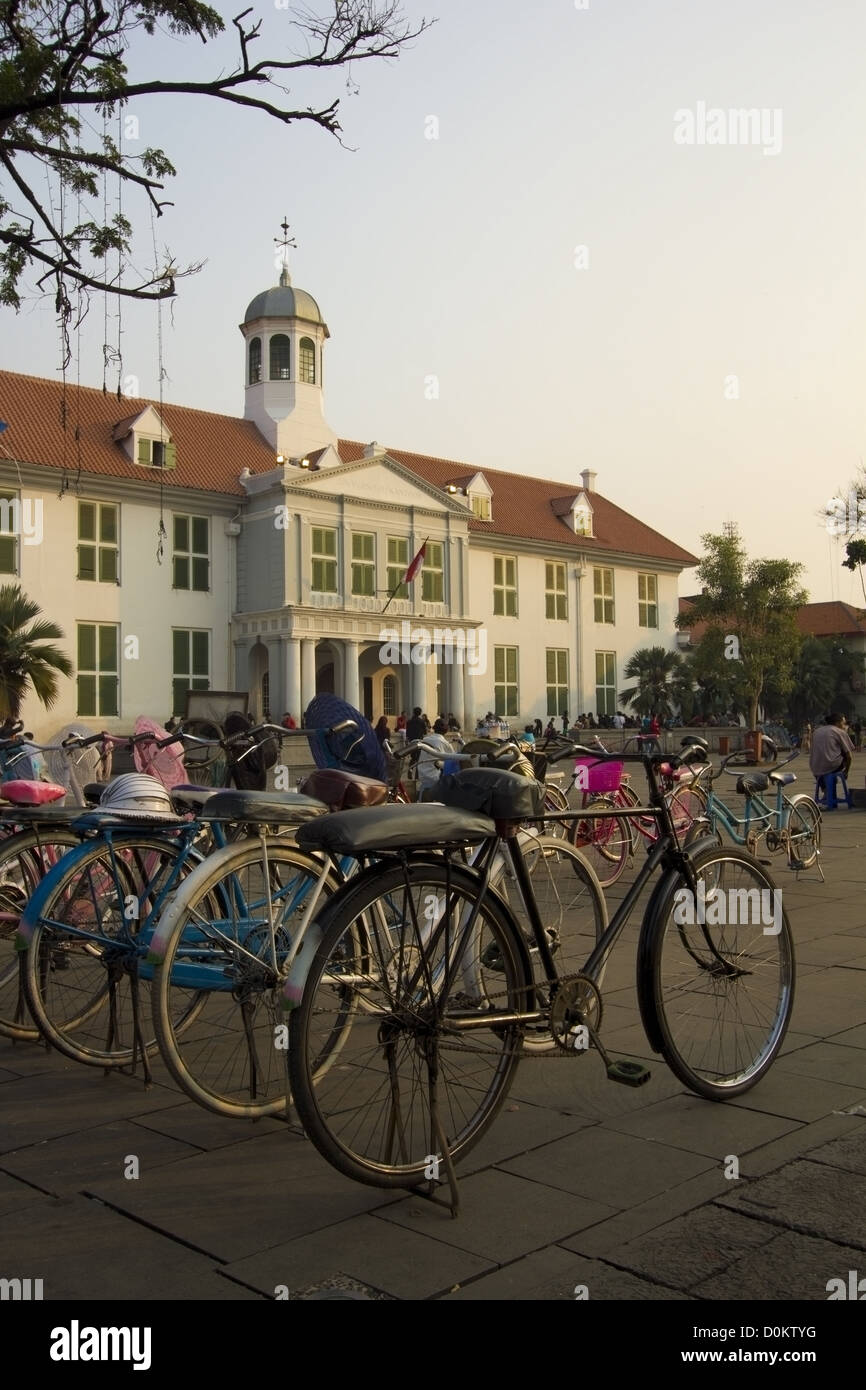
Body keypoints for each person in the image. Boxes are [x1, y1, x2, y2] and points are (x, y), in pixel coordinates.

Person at [810, 713, 853, 790]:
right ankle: (829, 790)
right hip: (831, 765)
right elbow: (849, 756)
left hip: (815, 767)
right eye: (844, 724)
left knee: (822, 765)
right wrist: (846, 772)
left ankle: (825, 789)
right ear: (837, 723)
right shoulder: (840, 732)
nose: (844, 726)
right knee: (845, 752)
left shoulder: (816, 731)